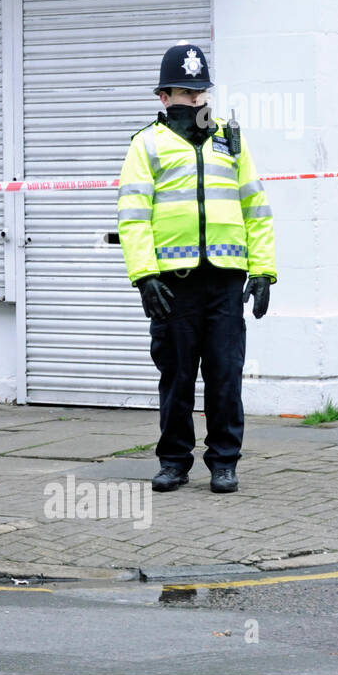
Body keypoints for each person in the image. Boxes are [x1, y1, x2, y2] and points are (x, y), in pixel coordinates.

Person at [116, 42, 277, 494]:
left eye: (200, 92)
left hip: (226, 279)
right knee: (177, 378)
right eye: (185, 93)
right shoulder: (147, 143)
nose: (195, 101)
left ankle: (224, 462)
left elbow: (255, 207)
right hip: (174, 283)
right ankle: (174, 462)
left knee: (225, 376)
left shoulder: (231, 138)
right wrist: (144, 275)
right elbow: (132, 217)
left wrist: (263, 271)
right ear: (163, 97)